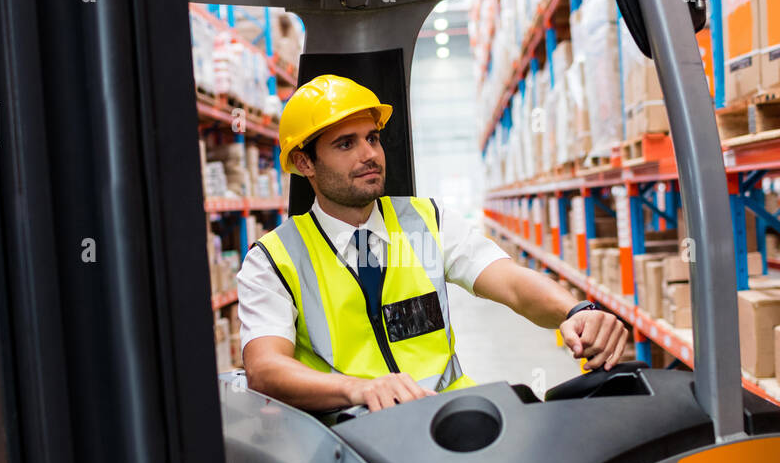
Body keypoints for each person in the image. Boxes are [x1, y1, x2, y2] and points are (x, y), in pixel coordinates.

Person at [236, 74, 629, 412]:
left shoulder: (426, 221)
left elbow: (510, 282)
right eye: (346, 144)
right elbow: (265, 369)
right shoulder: (274, 259)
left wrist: (574, 310)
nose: (370, 154)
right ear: (305, 163)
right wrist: (357, 389)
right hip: (352, 441)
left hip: (449, 424)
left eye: (372, 138)